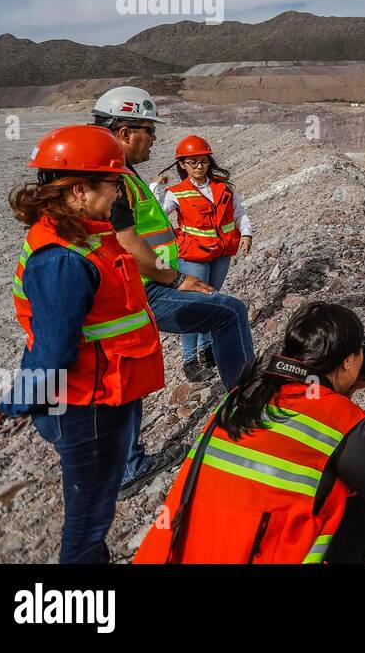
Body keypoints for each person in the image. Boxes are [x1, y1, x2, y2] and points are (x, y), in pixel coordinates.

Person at [0, 126, 165, 563]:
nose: (121, 193)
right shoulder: (63, 259)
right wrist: (14, 403)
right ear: (80, 189)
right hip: (90, 408)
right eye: (114, 183)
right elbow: (54, 349)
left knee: (92, 516)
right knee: (87, 526)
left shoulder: (85, 234)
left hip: (101, 395)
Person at [133, 302, 365, 564]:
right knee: (360, 509)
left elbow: (307, 441)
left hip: (179, 552)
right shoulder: (334, 418)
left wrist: (345, 389)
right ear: (350, 362)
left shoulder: (244, 394)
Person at [89, 85, 255, 491]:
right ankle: (249, 409)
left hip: (127, 292)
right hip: (142, 291)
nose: (154, 139)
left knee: (125, 379)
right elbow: (130, 243)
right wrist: (179, 278)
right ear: (125, 131)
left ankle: (127, 467)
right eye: (148, 129)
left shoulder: (116, 175)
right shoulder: (112, 180)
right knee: (228, 311)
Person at [151, 135, 254, 383]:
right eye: (193, 162)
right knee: (195, 305)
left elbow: (239, 213)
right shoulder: (176, 193)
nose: (199, 166)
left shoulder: (223, 187)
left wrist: (247, 232)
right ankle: (189, 361)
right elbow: (158, 217)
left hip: (220, 254)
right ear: (183, 165)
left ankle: (207, 350)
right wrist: (155, 188)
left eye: (203, 161)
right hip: (193, 255)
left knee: (212, 300)